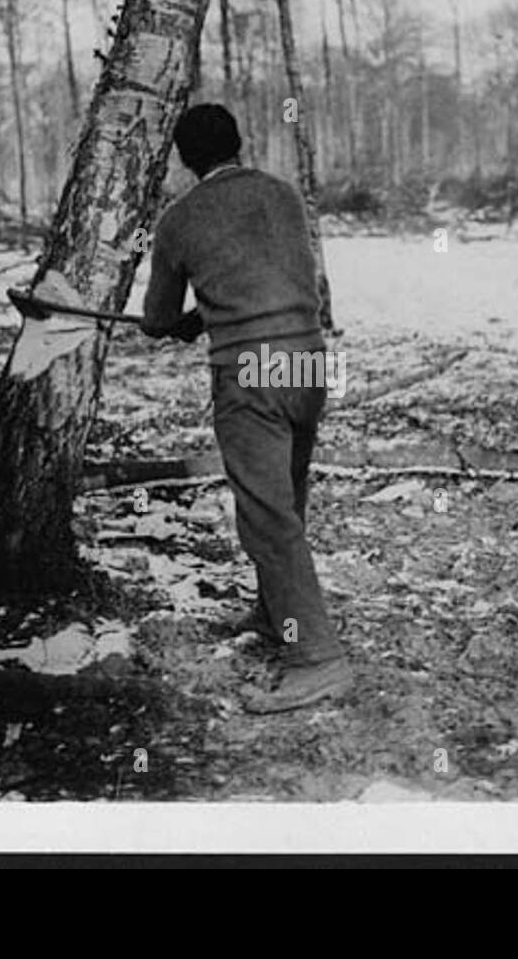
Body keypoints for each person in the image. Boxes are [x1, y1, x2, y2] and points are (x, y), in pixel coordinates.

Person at [140, 103, 352, 714]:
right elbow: (270, 275)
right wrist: (207, 311)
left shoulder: (179, 220)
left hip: (249, 373)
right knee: (286, 500)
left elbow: (155, 319)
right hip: (307, 363)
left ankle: (317, 659)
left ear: (182, 159)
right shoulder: (282, 195)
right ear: (240, 143)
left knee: (266, 518)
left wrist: (182, 319)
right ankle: (276, 615)